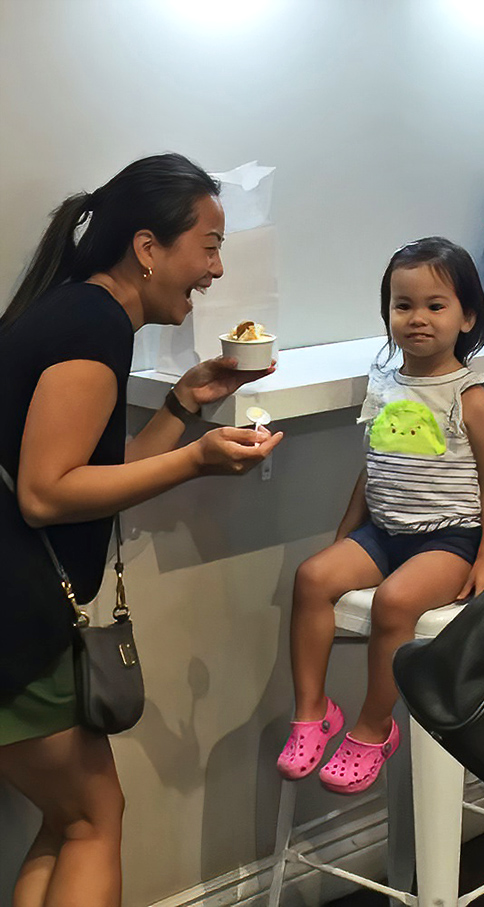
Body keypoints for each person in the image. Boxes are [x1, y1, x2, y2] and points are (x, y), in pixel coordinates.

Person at [0, 152, 283, 907]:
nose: (216, 270)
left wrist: (185, 407)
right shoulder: (93, 321)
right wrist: (196, 462)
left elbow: (95, 474)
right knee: (96, 815)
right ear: (149, 248)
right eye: (210, 245)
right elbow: (46, 492)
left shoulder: (76, 310)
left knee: (71, 820)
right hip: (10, 610)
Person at [277, 236, 484, 793]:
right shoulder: (384, 382)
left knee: (395, 602)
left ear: (467, 315)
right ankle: (313, 710)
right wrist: (347, 530)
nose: (417, 319)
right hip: (381, 532)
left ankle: (374, 726)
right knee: (312, 577)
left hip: (449, 541)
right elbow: (377, 463)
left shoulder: (470, 394)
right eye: (402, 306)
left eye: (436, 306)